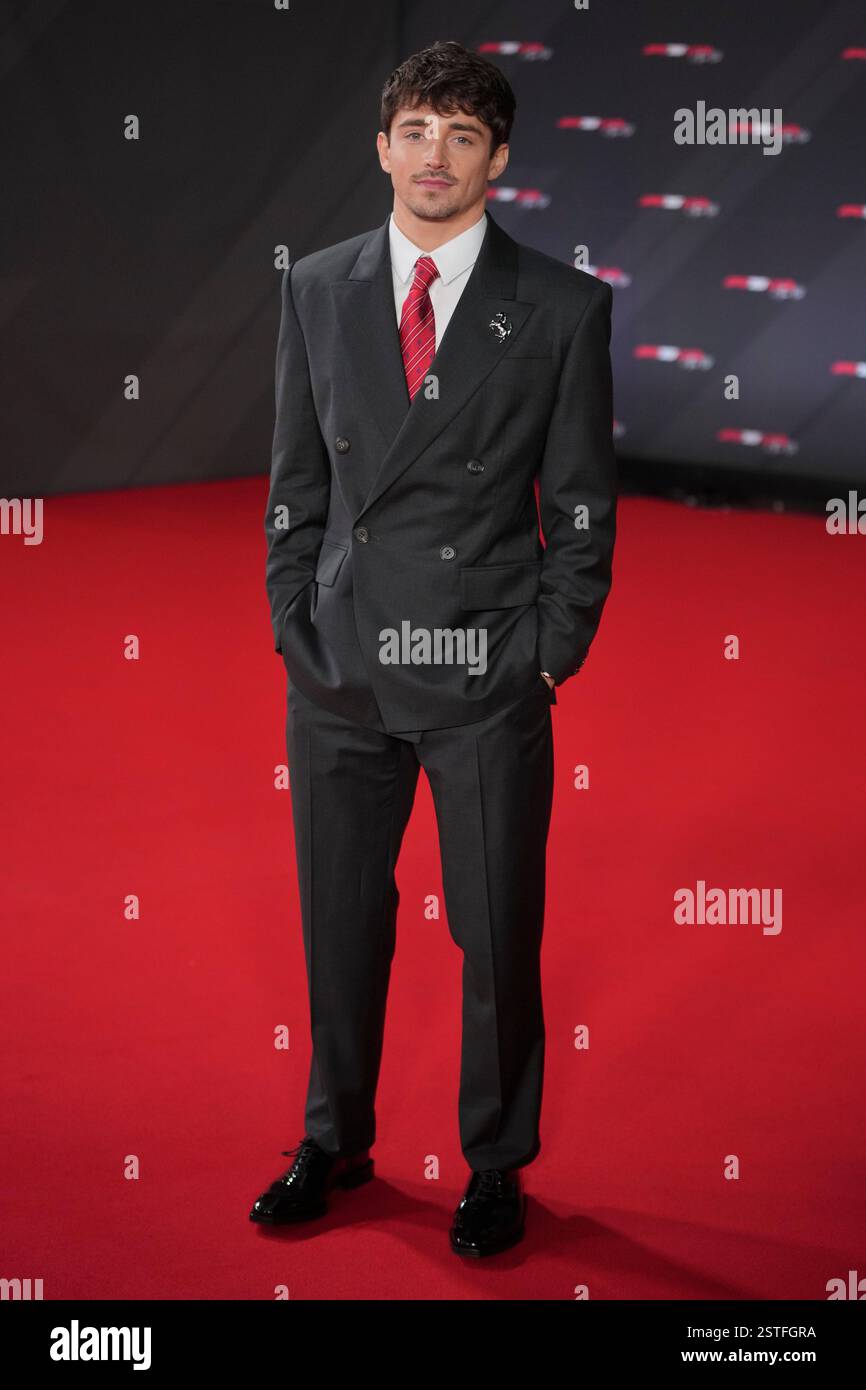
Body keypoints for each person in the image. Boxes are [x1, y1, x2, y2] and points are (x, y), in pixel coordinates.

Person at [250, 39, 616, 1257]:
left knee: (494, 933)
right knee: (338, 917)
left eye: (461, 135)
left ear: (496, 159)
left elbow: (576, 505)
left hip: (482, 666)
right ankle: (333, 1139)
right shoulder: (318, 287)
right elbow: (296, 483)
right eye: (414, 130)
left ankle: (495, 1163)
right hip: (342, 667)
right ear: (381, 146)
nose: (433, 157)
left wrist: (546, 655)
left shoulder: (561, 306)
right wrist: (295, 624)